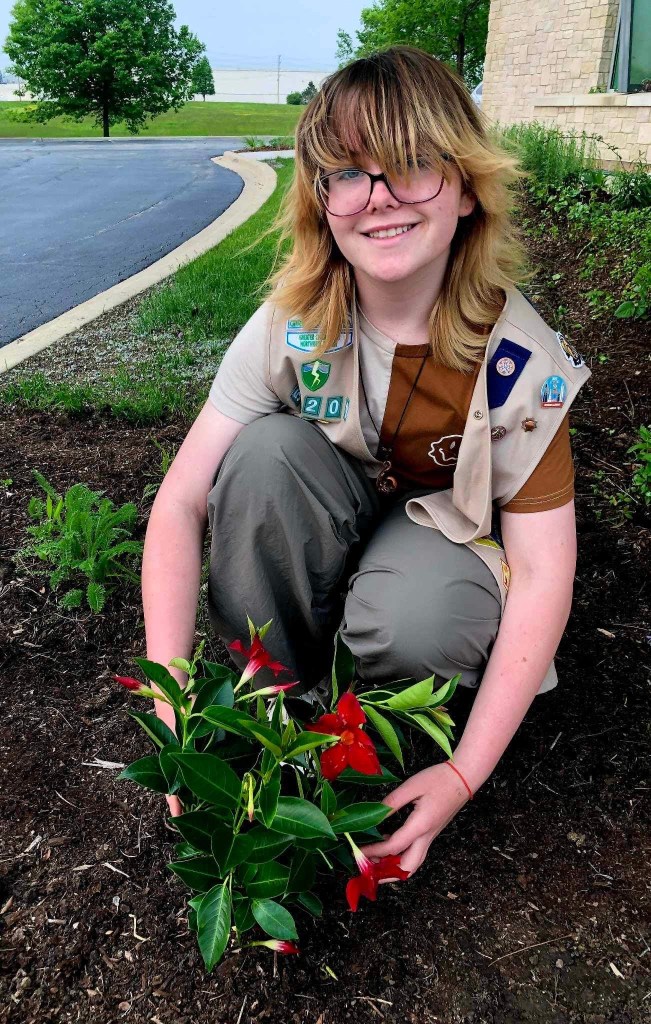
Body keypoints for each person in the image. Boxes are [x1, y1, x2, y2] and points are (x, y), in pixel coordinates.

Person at [141, 45, 590, 880]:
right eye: (346, 172)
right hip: (329, 508)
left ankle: (373, 730)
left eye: (412, 164)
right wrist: (170, 701)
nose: (377, 198)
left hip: (438, 543)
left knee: (421, 619)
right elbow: (178, 505)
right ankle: (268, 702)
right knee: (266, 451)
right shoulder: (292, 321)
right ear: (321, 201)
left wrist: (465, 773)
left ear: (466, 186)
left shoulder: (522, 363)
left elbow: (543, 572)